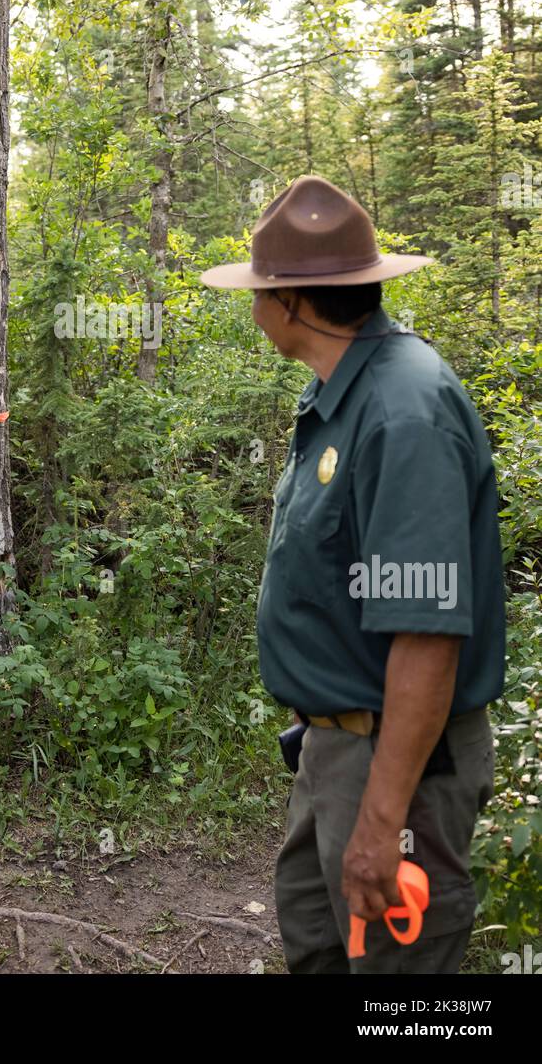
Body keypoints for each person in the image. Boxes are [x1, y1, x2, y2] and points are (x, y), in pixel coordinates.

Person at [201, 175, 506, 974]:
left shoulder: (402, 412)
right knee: (316, 937)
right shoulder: (345, 392)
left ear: (294, 303)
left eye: (260, 291)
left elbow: (425, 638)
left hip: (396, 765)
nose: (254, 305)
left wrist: (380, 820)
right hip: (334, 750)